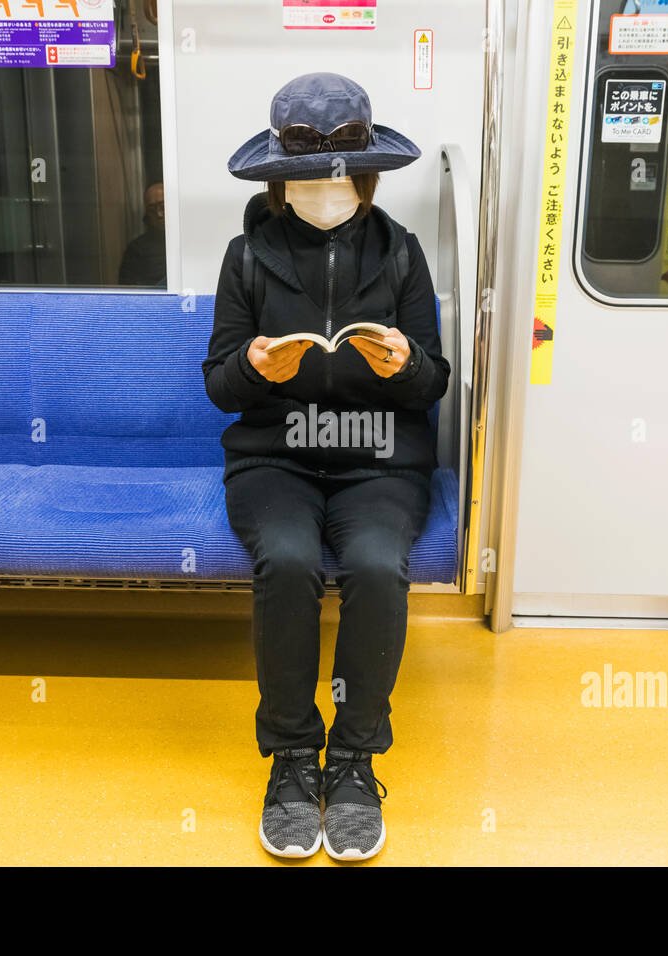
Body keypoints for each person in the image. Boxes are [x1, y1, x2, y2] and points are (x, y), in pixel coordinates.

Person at [202, 72, 449, 861]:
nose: (325, 188)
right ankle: (290, 756)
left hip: (379, 458)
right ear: (280, 183)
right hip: (277, 454)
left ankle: (352, 758)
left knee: (377, 564)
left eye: (340, 174)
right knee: (288, 556)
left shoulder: (402, 255)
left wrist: (406, 364)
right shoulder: (247, 257)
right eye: (306, 176)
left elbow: (435, 379)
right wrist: (253, 368)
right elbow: (217, 383)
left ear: (366, 175)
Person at [117, 182, 166, 286]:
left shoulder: (189, 240)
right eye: (152, 209)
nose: (159, 214)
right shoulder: (136, 249)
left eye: (163, 206)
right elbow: (128, 289)